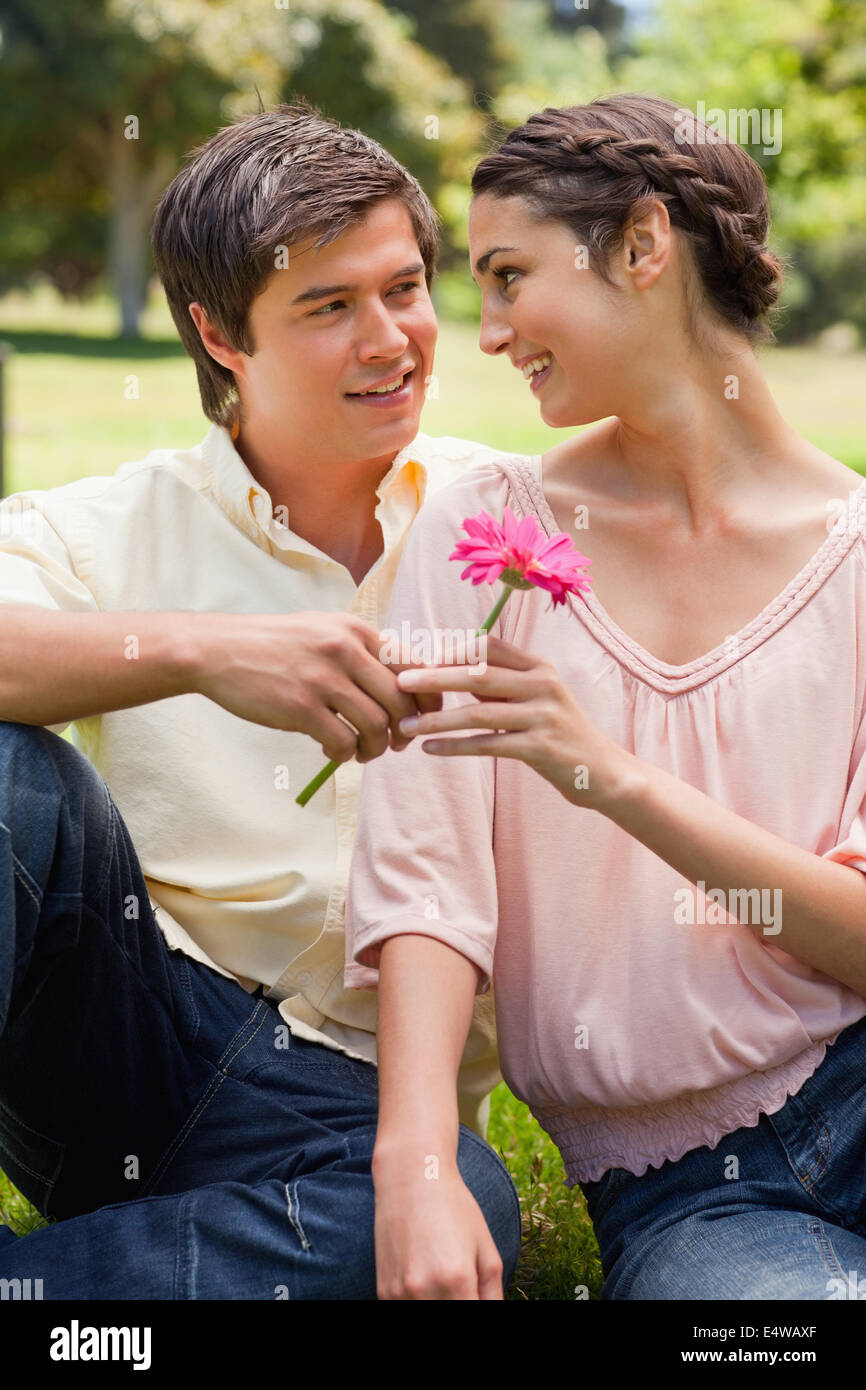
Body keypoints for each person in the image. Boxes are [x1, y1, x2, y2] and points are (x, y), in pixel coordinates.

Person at [345, 93, 866, 1301]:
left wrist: (612, 777)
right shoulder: (482, 533)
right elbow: (428, 879)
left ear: (640, 247)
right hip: (709, 1185)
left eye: (509, 274)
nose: (486, 331)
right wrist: (414, 1160)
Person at [0, 101, 522, 1299]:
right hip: (125, 1027)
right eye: (328, 307)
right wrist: (197, 651)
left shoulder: (514, 523)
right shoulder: (106, 526)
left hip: (350, 1109)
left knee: (454, 1195)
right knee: (11, 778)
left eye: (403, 288)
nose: (389, 339)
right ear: (218, 334)